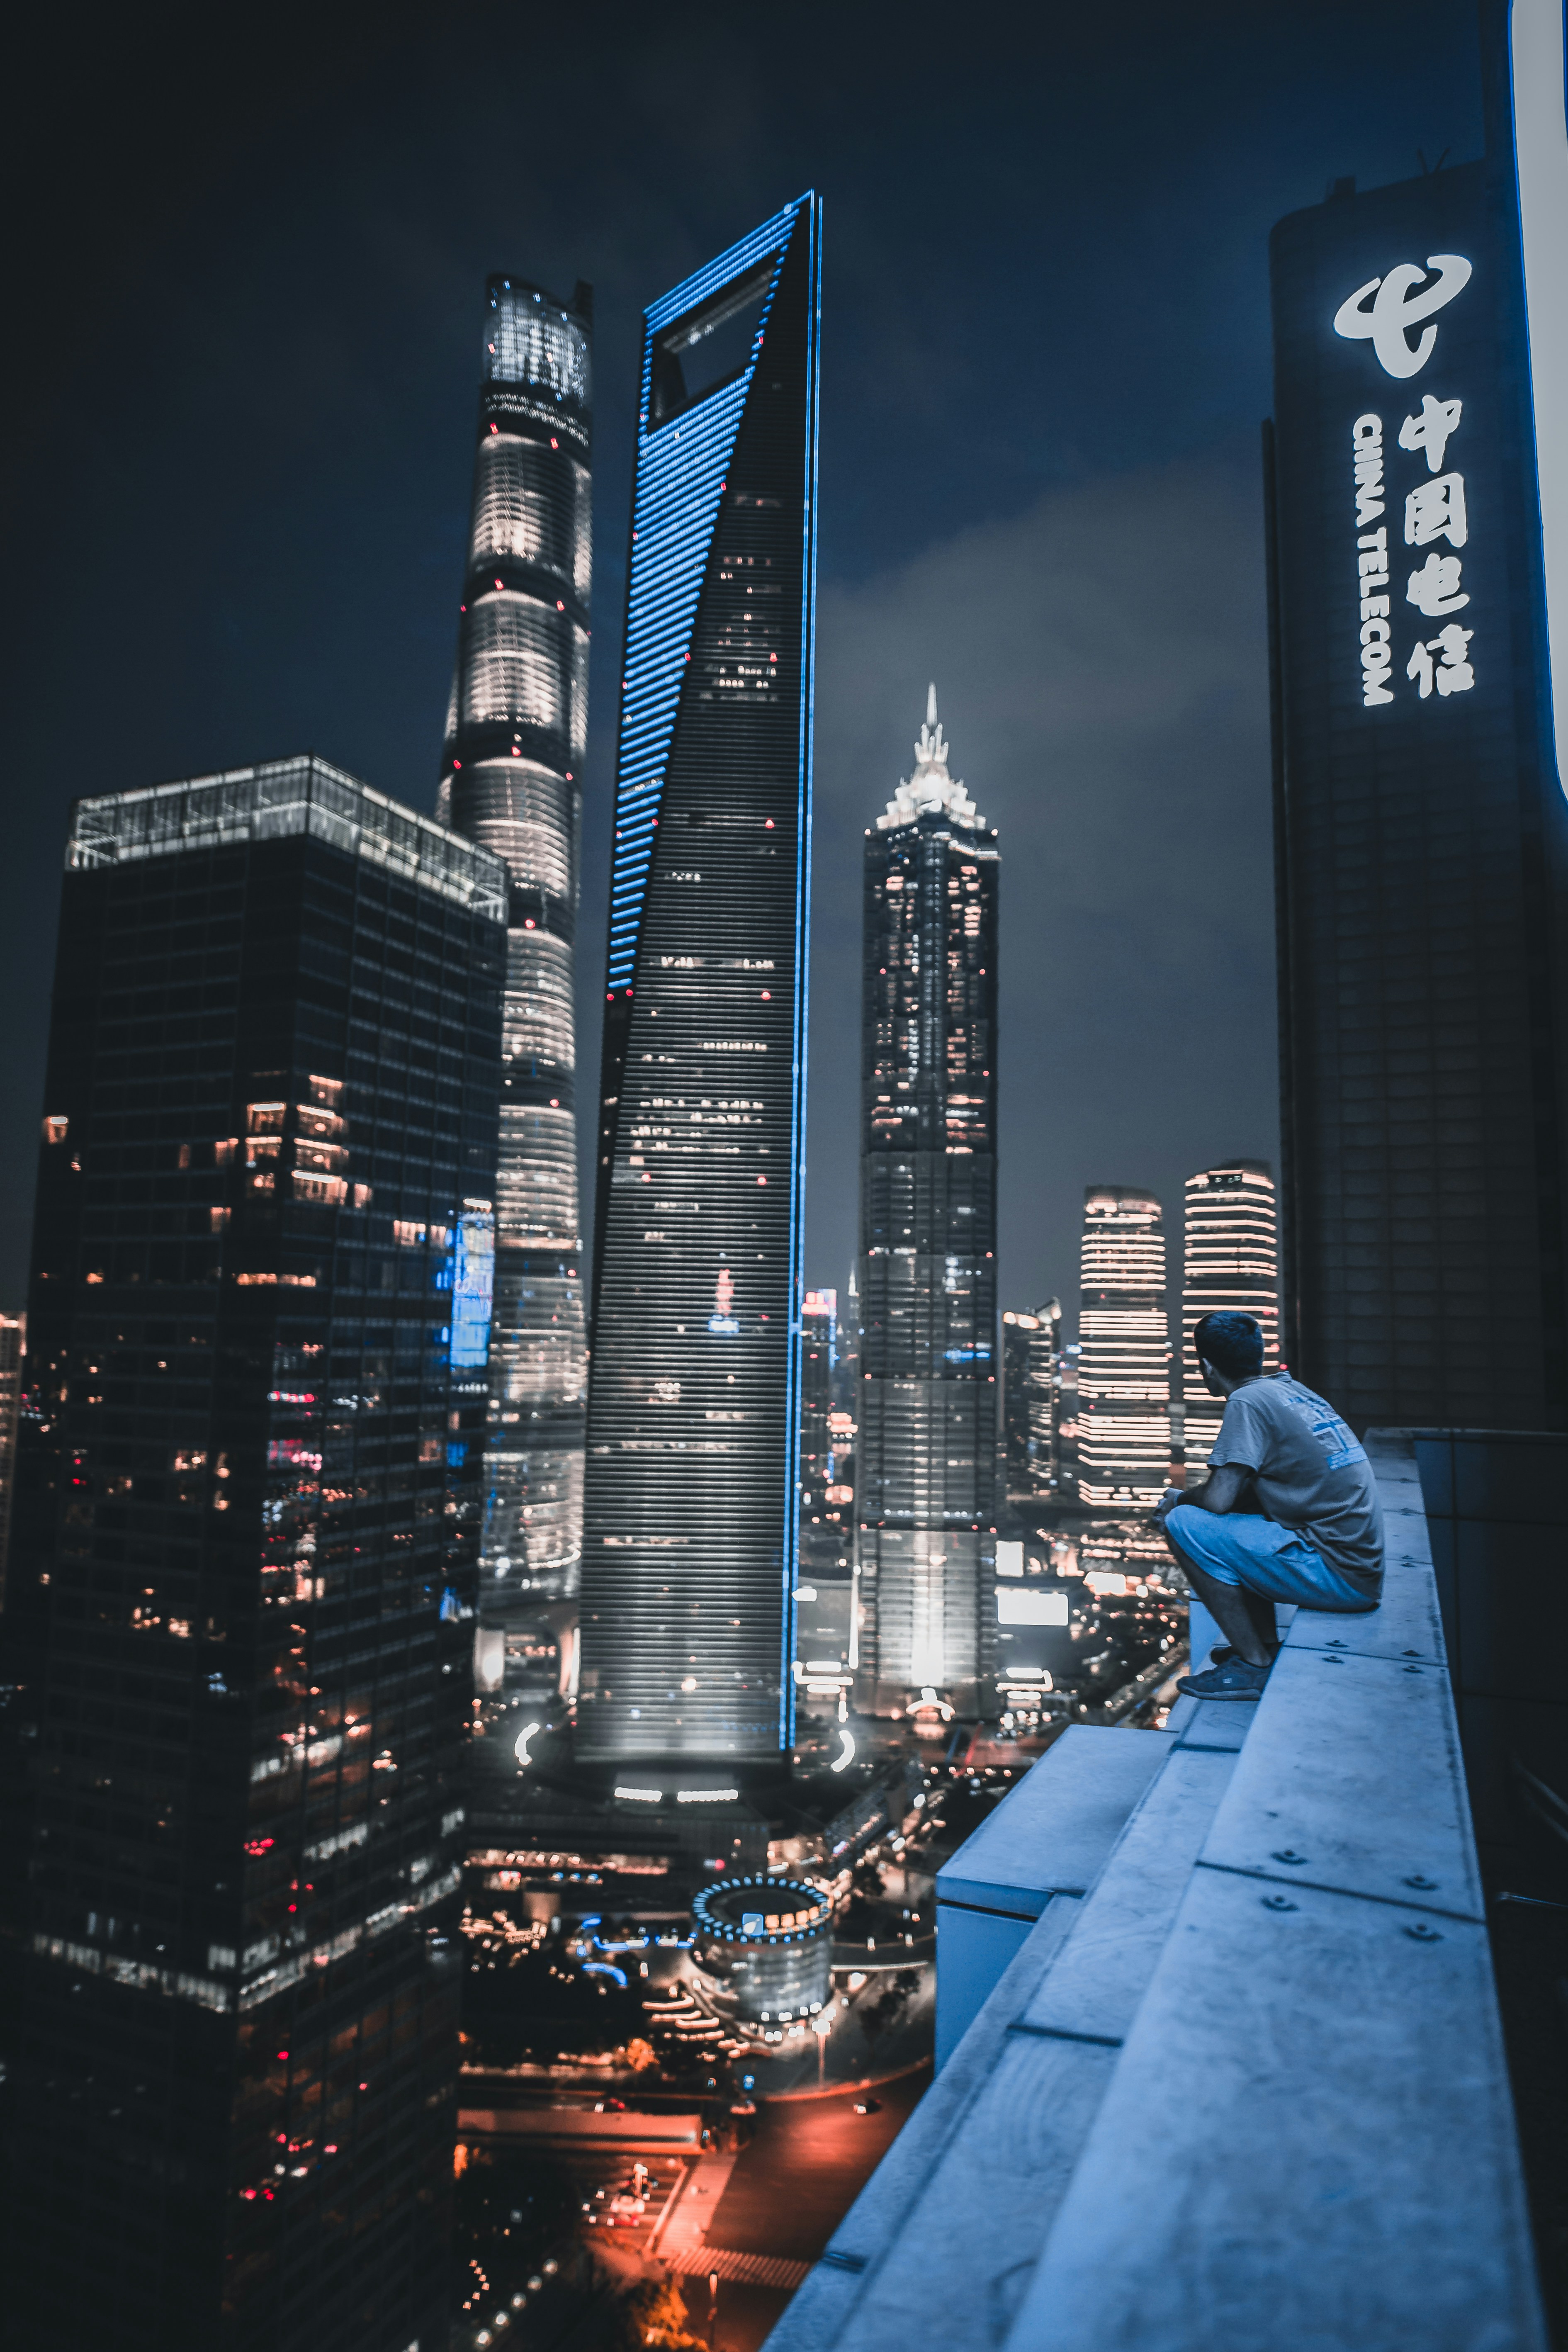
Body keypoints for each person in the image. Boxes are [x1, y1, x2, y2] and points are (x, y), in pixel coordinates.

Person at [1157, 1311, 1384, 1701]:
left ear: (1207, 1367)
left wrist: (1179, 1499)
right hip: (1358, 1563)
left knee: (1183, 1523)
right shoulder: (1290, 1390)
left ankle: (1252, 1665)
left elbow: (1217, 1498)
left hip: (1338, 1574)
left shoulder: (1246, 1401)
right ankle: (1262, 1647)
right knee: (1231, 1519)